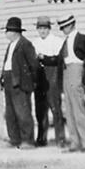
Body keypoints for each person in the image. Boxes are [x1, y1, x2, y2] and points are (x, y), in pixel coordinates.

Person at [54, 13, 85, 153]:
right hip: (66, 73)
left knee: (79, 108)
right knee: (69, 110)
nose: (63, 29)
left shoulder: (84, 39)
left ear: (71, 25)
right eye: (62, 27)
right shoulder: (65, 42)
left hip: (77, 71)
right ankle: (75, 142)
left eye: (65, 26)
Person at [0, 16, 38, 149]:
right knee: (10, 113)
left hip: (20, 82)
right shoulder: (10, 45)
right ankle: (14, 139)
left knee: (23, 112)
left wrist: (30, 82)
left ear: (14, 32)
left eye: (7, 31)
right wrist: (2, 77)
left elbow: (34, 65)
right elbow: (7, 63)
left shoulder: (25, 44)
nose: (6, 33)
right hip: (8, 80)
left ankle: (28, 140)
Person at [32, 16, 66, 147]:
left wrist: (44, 58)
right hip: (39, 77)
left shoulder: (57, 41)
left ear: (49, 28)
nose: (42, 31)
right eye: (40, 28)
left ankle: (60, 139)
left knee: (55, 108)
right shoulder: (34, 43)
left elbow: (59, 59)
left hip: (52, 76)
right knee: (40, 110)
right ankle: (41, 138)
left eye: (45, 28)